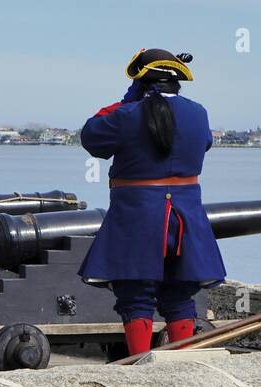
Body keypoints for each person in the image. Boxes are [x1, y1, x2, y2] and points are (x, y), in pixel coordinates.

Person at [78, 49, 226, 358]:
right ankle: (181, 361)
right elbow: (205, 144)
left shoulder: (126, 115)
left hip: (138, 216)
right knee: (180, 291)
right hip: (185, 217)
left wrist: (128, 101)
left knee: (135, 293)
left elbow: (91, 136)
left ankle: (138, 363)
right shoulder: (199, 113)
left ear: (140, 81)